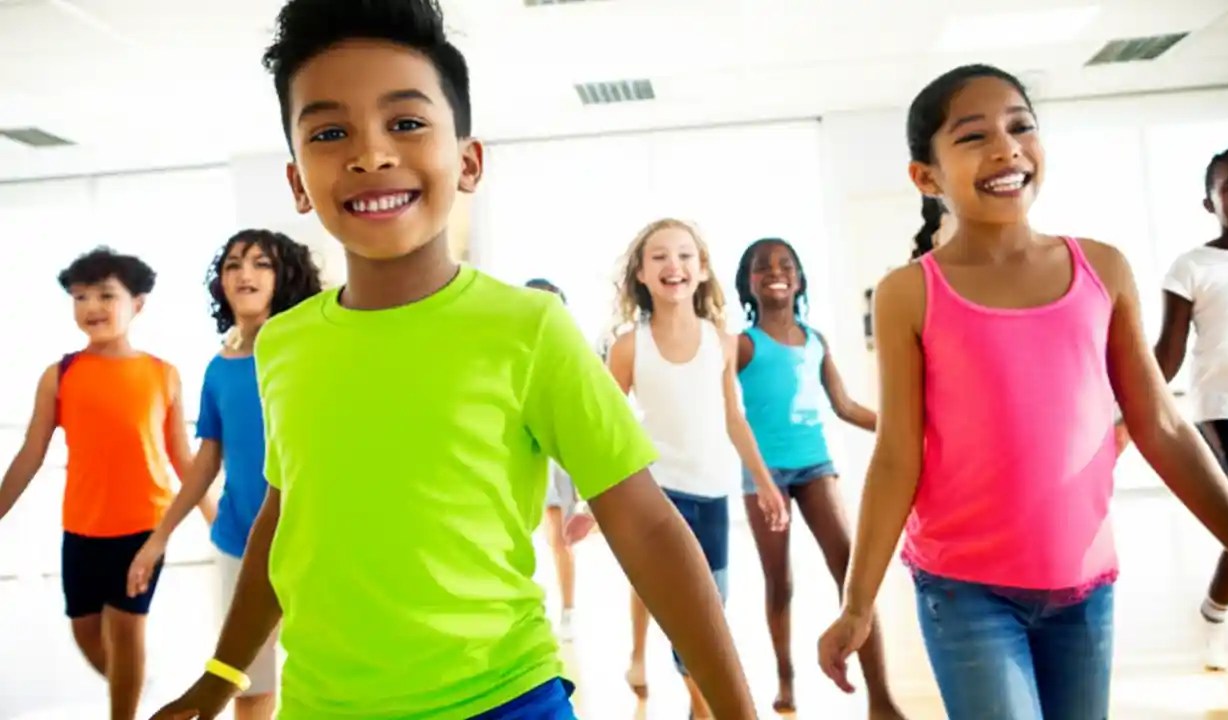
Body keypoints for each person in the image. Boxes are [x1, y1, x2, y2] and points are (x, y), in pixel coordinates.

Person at [149, 1, 758, 718]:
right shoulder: (284, 346)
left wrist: (736, 712)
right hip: (324, 706)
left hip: (505, 697)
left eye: (406, 123)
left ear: (467, 161)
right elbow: (285, 523)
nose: (370, 153)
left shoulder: (529, 327)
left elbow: (646, 526)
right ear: (296, 183)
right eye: (330, 131)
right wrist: (221, 675)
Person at [815, 64, 1228, 719]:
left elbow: (1163, 427)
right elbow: (896, 455)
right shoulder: (909, 294)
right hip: (964, 587)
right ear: (927, 176)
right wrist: (857, 602)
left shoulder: (1103, 268)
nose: (1006, 147)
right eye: (973, 136)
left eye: (1021, 126)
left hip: (1085, 585)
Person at [0, 246, 207, 720]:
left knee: (128, 628)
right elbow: (31, 452)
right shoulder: (60, 374)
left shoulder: (162, 374)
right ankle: (137, 688)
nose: (91, 307)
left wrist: (216, 518)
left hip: (143, 528)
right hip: (81, 527)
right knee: (86, 630)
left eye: (105, 295)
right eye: (80, 296)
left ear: (137, 303)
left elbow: (182, 456)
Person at [127, 230, 322, 718]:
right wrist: (159, 538)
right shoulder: (218, 368)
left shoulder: (307, 352)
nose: (245, 274)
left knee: (322, 676)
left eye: (261, 264)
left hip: (313, 538)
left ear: (285, 278)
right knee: (247, 684)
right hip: (239, 540)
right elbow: (205, 462)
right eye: (234, 264)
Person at [607, 218, 788, 719]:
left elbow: (734, 417)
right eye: (659, 257)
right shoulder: (628, 347)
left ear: (702, 269)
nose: (674, 266)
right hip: (658, 496)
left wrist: (766, 483)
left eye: (685, 255)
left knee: (713, 607)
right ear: (641, 274)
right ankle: (701, 705)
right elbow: (605, 431)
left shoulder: (721, 342)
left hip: (712, 494)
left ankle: (696, 697)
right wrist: (588, 501)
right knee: (680, 609)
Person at [733, 237, 903, 718]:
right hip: (764, 473)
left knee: (852, 571)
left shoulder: (815, 341)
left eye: (784, 265)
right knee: (778, 580)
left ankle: (882, 698)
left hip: (814, 465)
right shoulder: (743, 345)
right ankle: (786, 680)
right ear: (749, 283)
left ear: (799, 278)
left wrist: (906, 425)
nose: (774, 272)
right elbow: (728, 411)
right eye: (761, 267)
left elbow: (845, 407)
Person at [1148, 145, 1228, 672]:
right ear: (1209, 202)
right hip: (1226, 411)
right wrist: (1124, 414)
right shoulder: (1193, 266)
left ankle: (1212, 614)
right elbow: (1168, 353)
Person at [523, 277, 598, 640]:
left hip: (561, 458)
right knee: (540, 535)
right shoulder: (513, 353)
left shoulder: (574, 357)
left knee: (560, 537)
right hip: (527, 456)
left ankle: (568, 610)